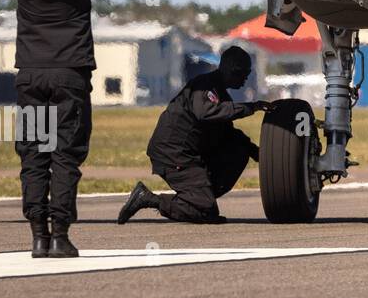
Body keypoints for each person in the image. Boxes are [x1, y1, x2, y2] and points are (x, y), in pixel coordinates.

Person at [9, 0, 104, 259]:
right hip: (70, 73)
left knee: (35, 154)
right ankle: (60, 235)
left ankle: (37, 235)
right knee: (64, 154)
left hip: (31, 73)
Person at [116, 46, 271, 224]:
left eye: (247, 72)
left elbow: (228, 133)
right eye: (241, 72)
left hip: (187, 153)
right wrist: (252, 107)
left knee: (239, 146)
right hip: (173, 154)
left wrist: (259, 153)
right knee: (205, 209)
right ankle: (148, 198)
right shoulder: (205, 86)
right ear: (228, 68)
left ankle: (200, 196)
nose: (244, 78)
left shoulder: (220, 93)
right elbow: (205, 112)